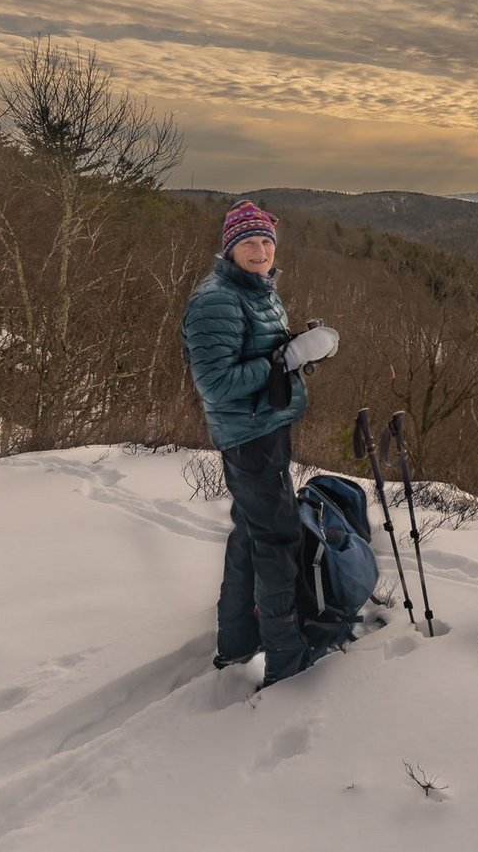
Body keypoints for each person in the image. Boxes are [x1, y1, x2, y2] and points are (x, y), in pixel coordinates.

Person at [182, 199, 339, 687]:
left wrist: (296, 350)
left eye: (266, 241)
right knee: (276, 539)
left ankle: (237, 641)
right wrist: (286, 359)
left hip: (264, 428)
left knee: (252, 531)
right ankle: (286, 658)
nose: (260, 249)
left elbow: (260, 354)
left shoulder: (256, 292)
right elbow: (216, 383)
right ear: (229, 248)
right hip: (248, 437)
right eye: (249, 241)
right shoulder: (216, 299)